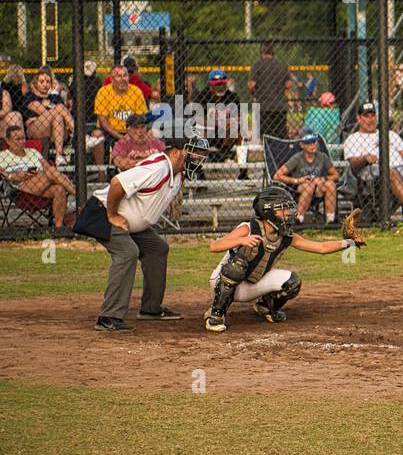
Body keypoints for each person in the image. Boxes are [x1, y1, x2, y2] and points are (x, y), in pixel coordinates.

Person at [88, 132, 210, 331]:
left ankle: (151, 308)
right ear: (176, 151)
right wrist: (112, 215)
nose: (196, 157)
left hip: (131, 223)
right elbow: (117, 183)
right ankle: (108, 317)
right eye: (192, 152)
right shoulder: (158, 167)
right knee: (128, 253)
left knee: (157, 248)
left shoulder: (178, 173)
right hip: (102, 213)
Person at [203, 186, 362, 333]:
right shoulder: (248, 228)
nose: (288, 213)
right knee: (237, 266)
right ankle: (216, 314)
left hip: (250, 286)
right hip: (222, 282)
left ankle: (264, 306)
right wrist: (241, 240)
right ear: (269, 211)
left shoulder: (286, 236)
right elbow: (214, 246)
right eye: (283, 209)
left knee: (292, 282)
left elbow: (320, 248)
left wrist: (349, 243)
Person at [343, 101, 403, 225]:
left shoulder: (390, 134)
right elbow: (353, 164)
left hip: (400, 166)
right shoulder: (353, 139)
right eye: (366, 116)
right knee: (389, 171)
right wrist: (365, 159)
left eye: (373, 115)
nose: (370, 119)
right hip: (373, 170)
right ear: (359, 118)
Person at [0, 123, 76, 227]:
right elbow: (2, 173)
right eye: (17, 139)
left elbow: (47, 167)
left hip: (40, 182)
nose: (22, 142)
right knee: (52, 172)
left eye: (23, 138)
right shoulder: (3, 155)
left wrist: (39, 174)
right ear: (8, 141)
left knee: (59, 189)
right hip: (19, 188)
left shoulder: (33, 152)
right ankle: (79, 196)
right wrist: (13, 176)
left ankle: (58, 228)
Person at [273, 131, 339, 224]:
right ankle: (299, 219)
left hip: (319, 186)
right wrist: (297, 180)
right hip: (301, 187)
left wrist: (323, 179)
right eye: (308, 143)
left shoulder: (322, 156)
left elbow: (335, 175)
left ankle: (330, 220)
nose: (312, 145)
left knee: (330, 184)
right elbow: (277, 175)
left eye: (314, 142)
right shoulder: (297, 158)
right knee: (309, 186)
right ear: (302, 145)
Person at [21, 69, 76, 162]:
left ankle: (59, 156)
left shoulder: (56, 97)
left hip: (57, 130)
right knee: (59, 108)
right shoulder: (30, 96)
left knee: (58, 117)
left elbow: (57, 117)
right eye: (41, 81)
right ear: (36, 83)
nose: (45, 84)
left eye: (48, 82)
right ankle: (78, 133)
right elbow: (42, 112)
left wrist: (41, 117)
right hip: (36, 129)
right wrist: (55, 111)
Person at [191, 69, 246, 156]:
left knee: (237, 130)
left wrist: (233, 121)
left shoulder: (232, 97)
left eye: (222, 84)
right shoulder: (202, 96)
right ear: (210, 85)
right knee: (199, 129)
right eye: (217, 84)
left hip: (225, 133)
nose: (220, 87)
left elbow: (239, 118)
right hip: (208, 132)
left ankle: (222, 156)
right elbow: (197, 119)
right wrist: (217, 123)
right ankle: (203, 160)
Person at [94, 64, 148, 149]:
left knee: (150, 132)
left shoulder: (136, 91)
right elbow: (103, 121)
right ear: (112, 79)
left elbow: (140, 118)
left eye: (125, 75)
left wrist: (131, 135)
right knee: (97, 135)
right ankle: (101, 163)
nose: (123, 79)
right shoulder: (103, 92)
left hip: (132, 130)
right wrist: (120, 137)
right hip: (110, 131)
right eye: (119, 76)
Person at [248, 42, 292, 140]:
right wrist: (279, 89)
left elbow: (252, 84)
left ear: (262, 52)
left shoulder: (257, 64)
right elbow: (288, 84)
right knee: (280, 135)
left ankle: (267, 153)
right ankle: (280, 154)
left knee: (265, 137)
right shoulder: (281, 65)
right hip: (279, 106)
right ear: (273, 52)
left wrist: (254, 93)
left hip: (263, 106)